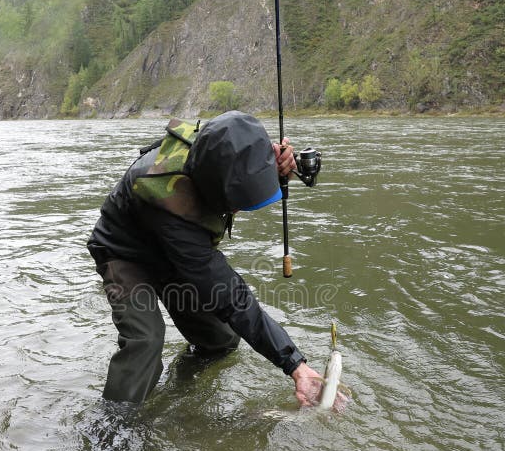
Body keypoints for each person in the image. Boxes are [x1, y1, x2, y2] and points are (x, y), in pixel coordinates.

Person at [87, 110, 326, 406]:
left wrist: (267, 166)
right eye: (236, 201)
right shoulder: (173, 211)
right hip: (123, 253)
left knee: (221, 340)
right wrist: (296, 366)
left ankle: (179, 393)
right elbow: (231, 297)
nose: (239, 208)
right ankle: (114, 427)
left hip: (172, 255)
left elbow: (242, 156)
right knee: (145, 342)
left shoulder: (216, 148)